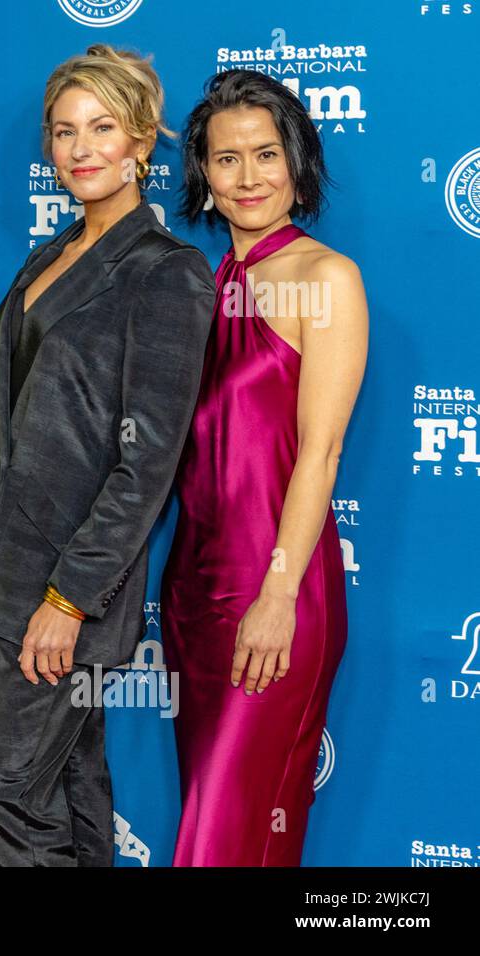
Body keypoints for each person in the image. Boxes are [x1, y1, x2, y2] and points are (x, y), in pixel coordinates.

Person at [0, 44, 215, 867]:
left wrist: (68, 600)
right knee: (70, 786)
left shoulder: (167, 274)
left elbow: (146, 466)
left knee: (3, 788)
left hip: (67, 593)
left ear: (144, 140)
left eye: (103, 127)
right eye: (65, 131)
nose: (81, 148)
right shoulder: (50, 256)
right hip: (11, 576)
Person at [162, 69, 367, 866]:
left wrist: (278, 594)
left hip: (278, 592)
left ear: (297, 164)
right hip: (191, 596)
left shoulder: (327, 278)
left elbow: (320, 450)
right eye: (226, 159)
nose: (248, 177)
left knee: (223, 840)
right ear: (204, 177)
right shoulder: (203, 286)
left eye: (266, 154)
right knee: (228, 831)